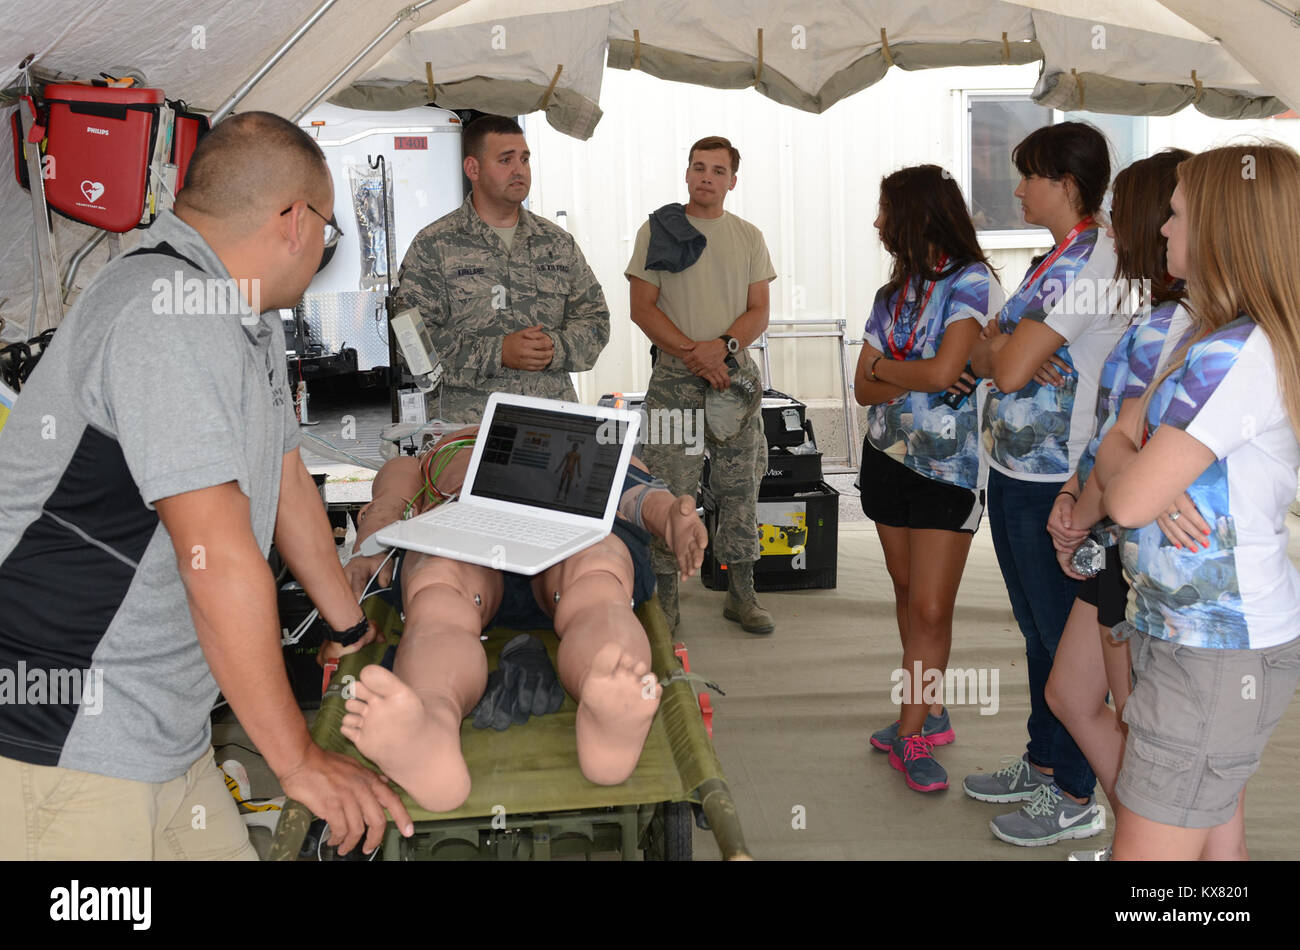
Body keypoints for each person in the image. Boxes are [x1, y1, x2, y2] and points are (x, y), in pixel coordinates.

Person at [0, 112, 412, 860]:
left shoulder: (238, 314)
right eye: (328, 232)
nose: (324, 251)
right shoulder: (167, 315)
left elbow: (283, 474)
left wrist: (347, 625)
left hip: (166, 726)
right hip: (64, 741)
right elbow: (218, 560)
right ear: (294, 220)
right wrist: (295, 762)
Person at [1091, 144, 1300, 860]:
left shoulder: (1235, 351)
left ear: (1222, 229)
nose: (1162, 231)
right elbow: (1121, 442)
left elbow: (1125, 495)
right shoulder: (1204, 335)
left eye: (1176, 216)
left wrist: (1141, 471)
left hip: (1216, 653)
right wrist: (1138, 468)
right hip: (1188, 636)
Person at [331, 426, 708, 812]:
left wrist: (668, 517)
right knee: (445, 589)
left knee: (451, 597)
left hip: (564, 528)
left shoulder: (583, 438)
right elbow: (393, 492)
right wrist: (369, 547)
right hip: (469, 527)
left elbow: (633, 493)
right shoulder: (442, 450)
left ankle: (607, 705)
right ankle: (429, 728)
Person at [961, 121, 1123, 846]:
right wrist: (1005, 346)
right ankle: (1043, 758)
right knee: (1035, 631)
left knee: (1061, 635)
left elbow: (1010, 363)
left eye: (1029, 176)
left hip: (1056, 473)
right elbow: (985, 347)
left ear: (1066, 183)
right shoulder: (1051, 257)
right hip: (1015, 465)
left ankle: (1076, 788)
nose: (1018, 187)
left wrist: (1007, 350)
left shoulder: (1095, 258)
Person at [1038, 150, 1193, 859]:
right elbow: (1110, 437)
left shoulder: (1173, 328)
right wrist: (1077, 496)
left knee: (1140, 717)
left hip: (1136, 555)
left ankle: (1149, 848)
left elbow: (1124, 453)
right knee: (1072, 695)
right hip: (1114, 540)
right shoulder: (1163, 318)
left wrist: (1081, 507)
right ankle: (1137, 835)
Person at [853, 165, 1005, 793]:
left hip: (950, 471)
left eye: (887, 210)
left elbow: (946, 373)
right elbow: (863, 388)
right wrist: (903, 369)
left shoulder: (973, 281)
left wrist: (893, 366)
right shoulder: (892, 296)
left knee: (931, 605)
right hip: (886, 456)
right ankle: (927, 707)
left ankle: (911, 733)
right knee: (907, 589)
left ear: (915, 216)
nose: (878, 223)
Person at [625, 135, 777, 634]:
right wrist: (695, 353)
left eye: (717, 170)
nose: (706, 177)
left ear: (732, 180)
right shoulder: (658, 231)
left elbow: (759, 311)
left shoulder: (748, 236)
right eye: (698, 167)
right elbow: (642, 308)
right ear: (686, 174)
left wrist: (723, 348)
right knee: (672, 491)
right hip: (675, 379)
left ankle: (742, 595)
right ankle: (666, 603)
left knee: (740, 488)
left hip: (733, 378)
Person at [392, 115, 610, 423]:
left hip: (552, 421)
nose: (519, 169)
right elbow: (411, 344)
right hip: (467, 430)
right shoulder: (434, 245)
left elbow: (595, 321)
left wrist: (554, 347)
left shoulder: (557, 243)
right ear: (473, 169)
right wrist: (498, 352)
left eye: (524, 159)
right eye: (505, 160)